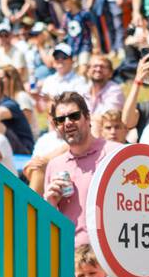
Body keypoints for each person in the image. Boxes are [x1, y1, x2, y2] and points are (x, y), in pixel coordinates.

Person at [42, 92, 122, 246]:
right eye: (60, 120)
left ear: (87, 117)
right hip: (72, 259)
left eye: (74, 116)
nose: (67, 123)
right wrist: (50, 203)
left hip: (110, 257)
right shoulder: (55, 165)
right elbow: (49, 225)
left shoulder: (116, 154)